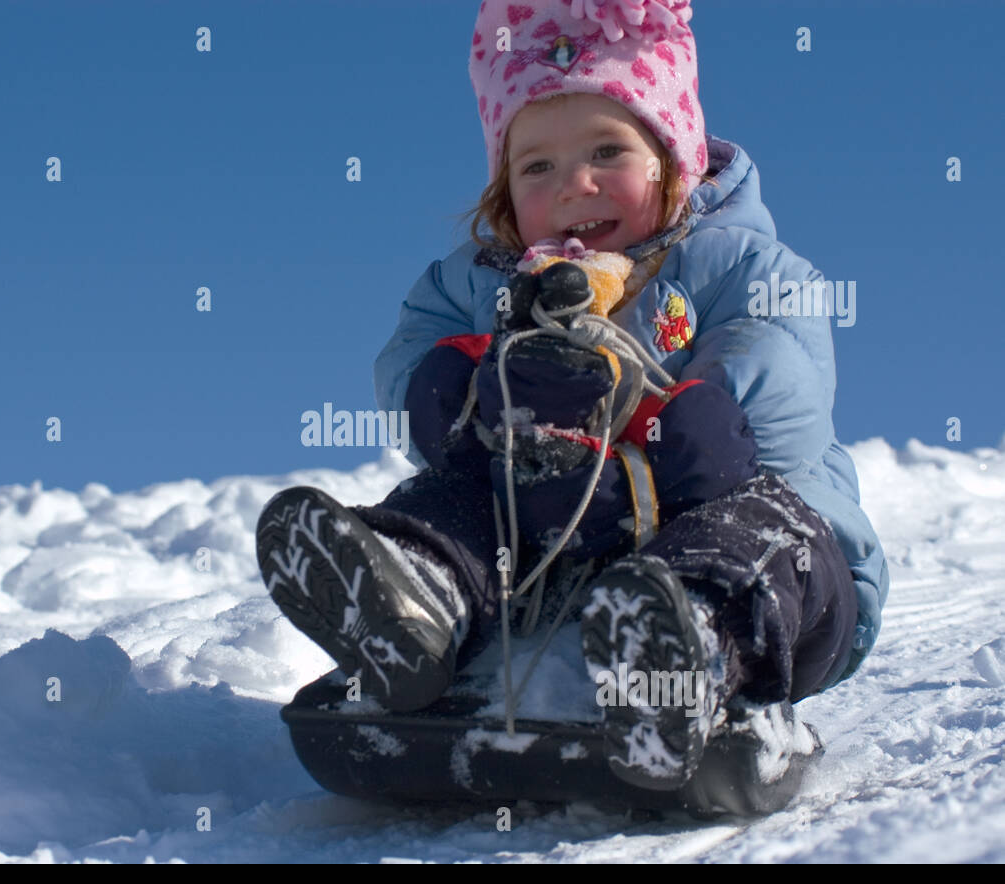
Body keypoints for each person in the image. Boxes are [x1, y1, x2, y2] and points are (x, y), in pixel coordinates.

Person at [257, 0, 889, 795]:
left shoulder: (740, 265)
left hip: (748, 530)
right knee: (456, 495)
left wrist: (670, 417)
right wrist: (472, 394)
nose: (573, 185)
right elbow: (413, 358)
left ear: (672, 159)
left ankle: (682, 643)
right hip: (542, 550)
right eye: (537, 167)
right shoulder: (484, 282)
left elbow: (782, 379)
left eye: (606, 150)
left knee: (754, 529)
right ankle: (413, 601)